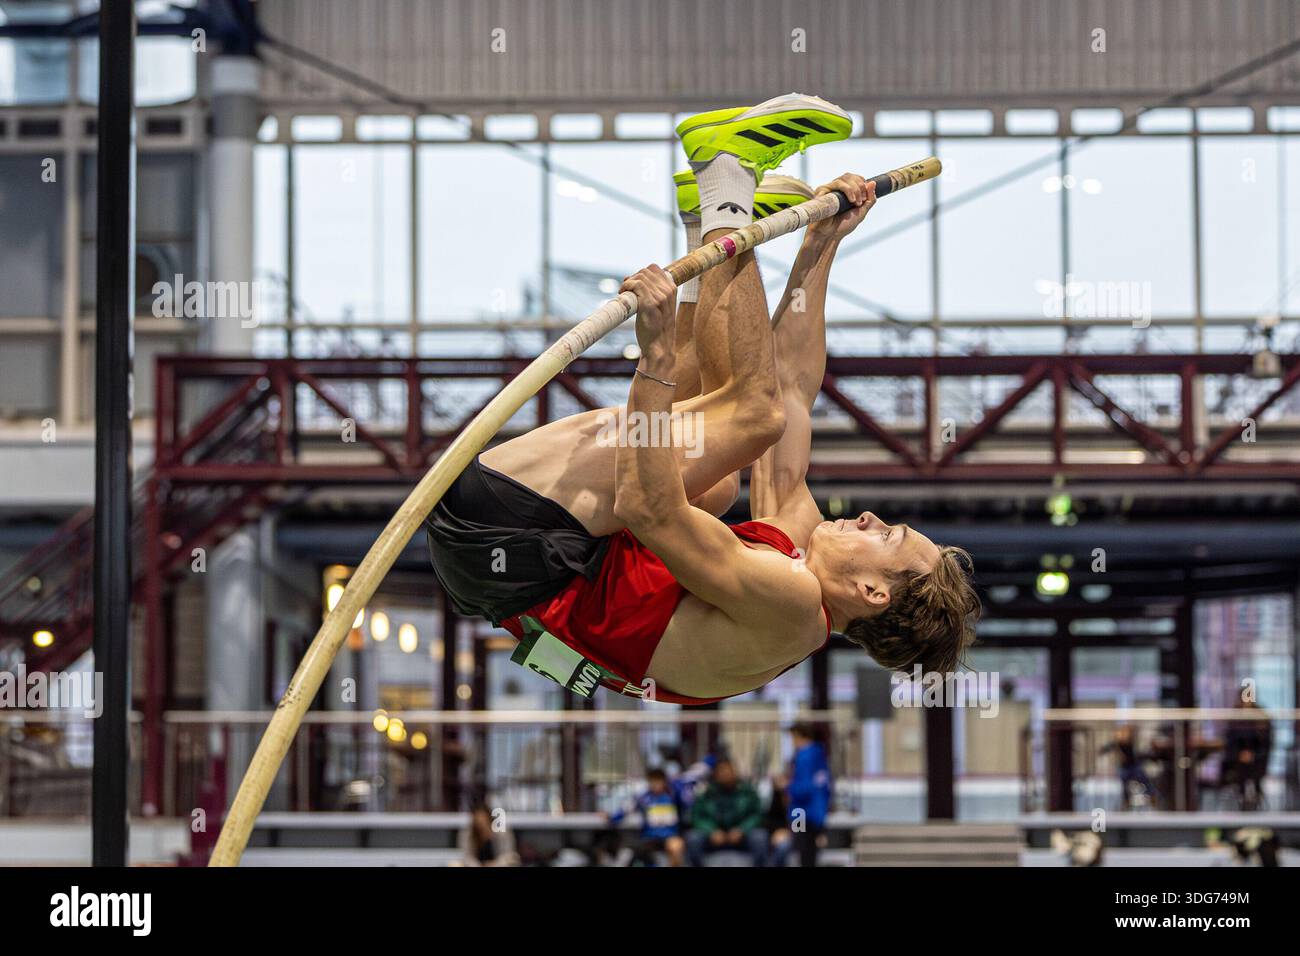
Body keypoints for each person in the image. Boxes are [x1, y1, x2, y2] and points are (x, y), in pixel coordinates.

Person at [426, 92, 980, 706]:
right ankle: (706, 214)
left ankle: (724, 176)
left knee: (750, 417)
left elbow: (646, 504)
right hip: (522, 556)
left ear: (876, 592)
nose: (873, 519)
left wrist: (657, 364)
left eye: (890, 537)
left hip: (510, 540)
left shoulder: (793, 608)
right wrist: (819, 247)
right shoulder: (797, 550)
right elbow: (793, 388)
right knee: (723, 470)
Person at [685, 759, 766, 866]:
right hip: (713, 837)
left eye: (728, 770)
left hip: (741, 836)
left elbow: (756, 815)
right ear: (715, 774)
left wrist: (742, 830)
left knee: (760, 837)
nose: (725, 774)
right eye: (721, 771)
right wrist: (711, 831)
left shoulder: (748, 792)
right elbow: (697, 817)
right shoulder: (706, 793)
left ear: (734, 772)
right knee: (693, 838)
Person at [607, 767, 688, 866]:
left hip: (669, 836)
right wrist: (611, 818)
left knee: (676, 846)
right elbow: (625, 810)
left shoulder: (673, 796)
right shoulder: (643, 798)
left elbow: (688, 803)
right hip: (649, 838)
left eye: (658, 781)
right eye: (652, 781)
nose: (655, 785)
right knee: (631, 855)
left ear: (664, 782)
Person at [785, 722, 831, 866]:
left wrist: (787, 787)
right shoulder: (820, 755)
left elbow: (802, 788)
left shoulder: (804, 756)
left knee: (802, 853)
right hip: (817, 812)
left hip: (802, 812)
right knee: (811, 853)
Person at [458, 801, 519, 867]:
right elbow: (466, 856)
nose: (481, 824)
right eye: (478, 821)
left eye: (483, 820)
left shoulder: (502, 832)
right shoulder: (468, 834)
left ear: (489, 818)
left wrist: (493, 864)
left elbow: (509, 855)